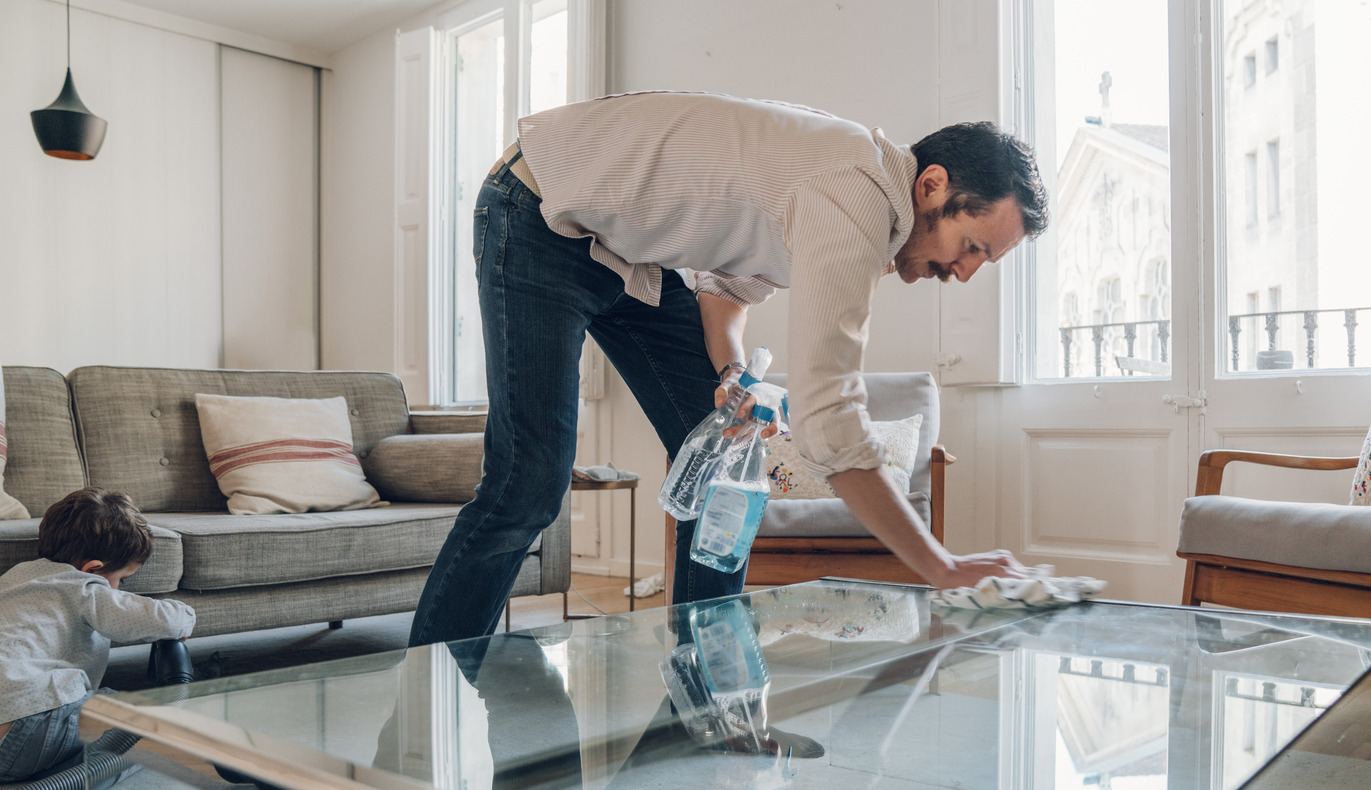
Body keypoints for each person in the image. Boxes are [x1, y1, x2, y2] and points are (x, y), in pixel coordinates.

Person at [408, 91, 1050, 648]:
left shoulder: (859, 197)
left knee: (722, 462)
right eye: (971, 248)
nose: (964, 273)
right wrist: (940, 566)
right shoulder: (855, 197)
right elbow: (831, 419)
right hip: (539, 212)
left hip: (631, 256)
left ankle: (706, 702)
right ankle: (425, 703)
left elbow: (725, 290)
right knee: (529, 481)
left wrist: (733, 374)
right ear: (932, 184)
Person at [0, 488, 195, 790]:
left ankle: (62, 774)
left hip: (14, 736)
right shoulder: (83, 587)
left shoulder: (13, 578)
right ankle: (82, 777)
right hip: (30, 726)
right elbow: (161, 621)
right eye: (123, 580)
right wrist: (185, 615)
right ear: (92, 569)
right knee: (152, 725)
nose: (119, 589)